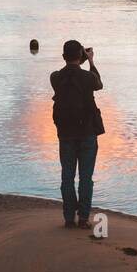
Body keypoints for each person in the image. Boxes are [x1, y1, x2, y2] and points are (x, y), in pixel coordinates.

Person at [50, 39, 104, 228]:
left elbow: (70, 76)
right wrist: (90, 61)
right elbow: (99, 84)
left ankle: (68, 218)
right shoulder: (88, 78)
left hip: (65, 133)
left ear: (64, 57)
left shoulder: (55, 77)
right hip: (87, 132)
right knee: (85, 178)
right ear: (80, 56)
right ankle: (83, 218)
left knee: (67, 177)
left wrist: (79, 59)